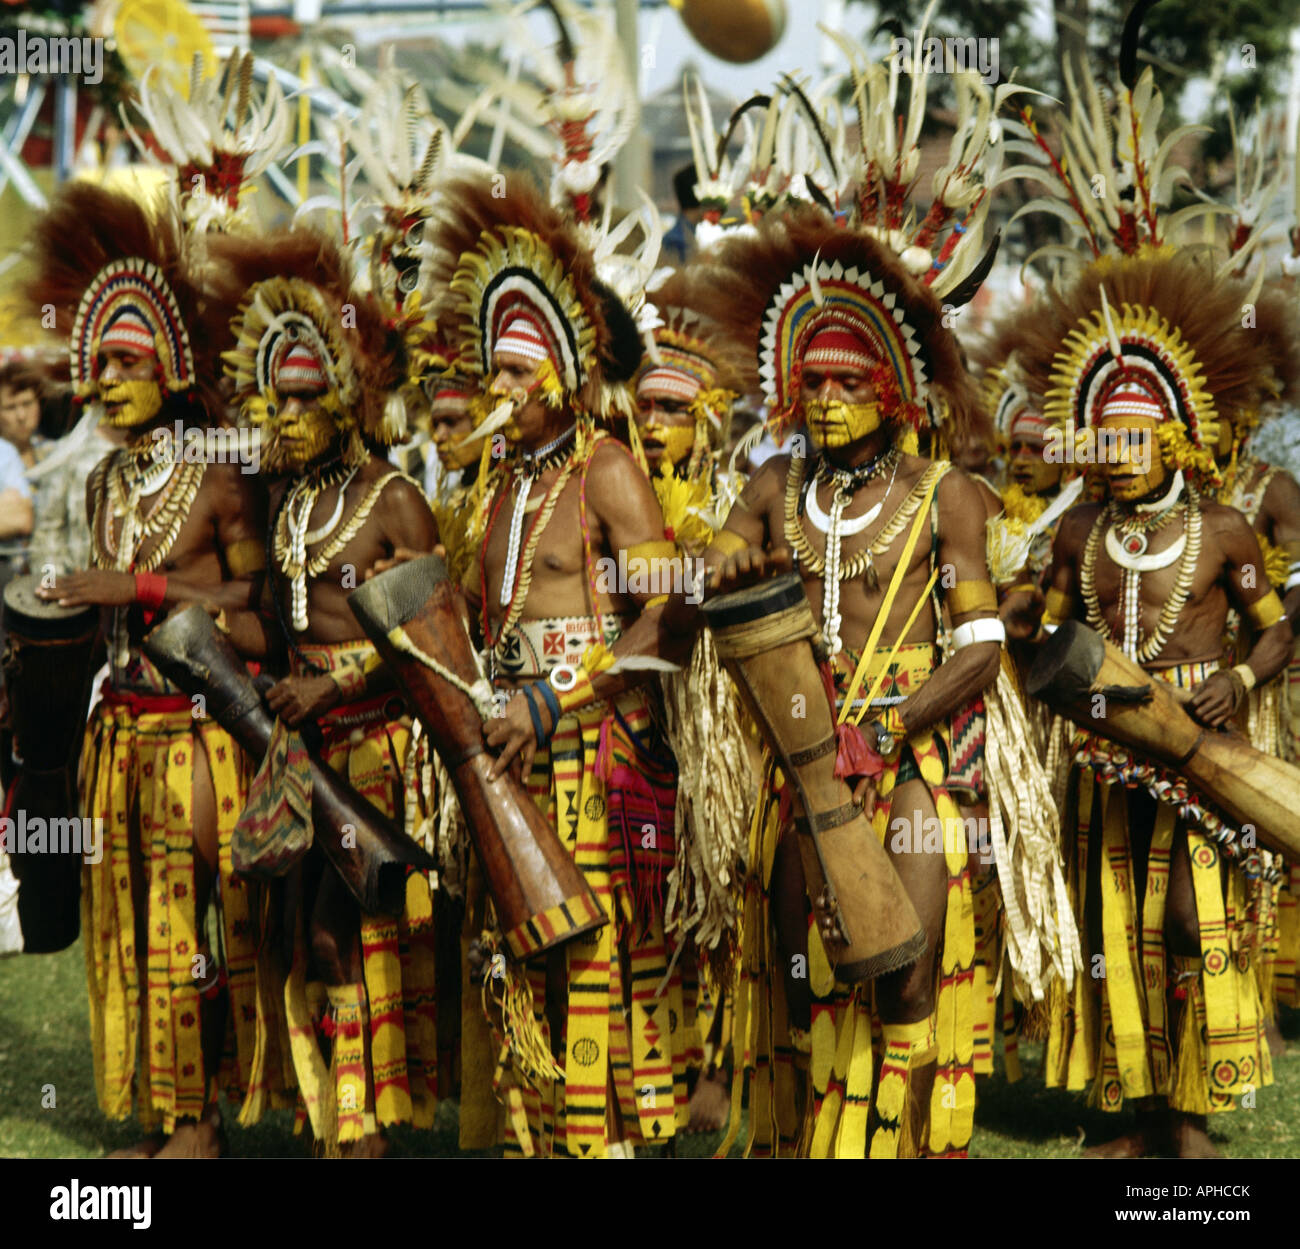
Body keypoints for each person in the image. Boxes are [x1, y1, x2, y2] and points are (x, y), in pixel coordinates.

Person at [688, 205, 1005, 1158]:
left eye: (847, 381)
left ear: (896, 388)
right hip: (804, 751)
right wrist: (729, 570)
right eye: (810, 380)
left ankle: (898, 1146)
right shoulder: (770, 488)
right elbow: (707, 578)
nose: (824, 398)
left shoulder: (941, 492)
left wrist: (899, 725)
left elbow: (982, 645)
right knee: (803, 972)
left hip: (914, 748)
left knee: (901, 969)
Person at [427, 170, 699, 1157]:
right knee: (510, 947)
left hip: (588, 740)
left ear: (569, 376)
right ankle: (533, 1142)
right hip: (505, 738)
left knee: (584, 942)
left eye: (515, 375)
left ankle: (607, 1144)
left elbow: (669, 609)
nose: (498, 394)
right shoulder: (499, 482)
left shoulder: (609, 470)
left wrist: (556, 698)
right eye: (492, 374)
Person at [1012, 248, 1293, 1158]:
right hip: (1103, 751)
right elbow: (1045, 631)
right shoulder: (1079, 529)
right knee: (1111, 924)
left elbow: (1281, 631)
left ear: (1173, 438)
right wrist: (1013, 617)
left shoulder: (1223, 528)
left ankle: (1189, 1114)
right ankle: (1130, 1111)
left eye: (1134, 440)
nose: (1117, 459)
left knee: (1184, 920)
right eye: (1103, 442)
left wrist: (1239, 681)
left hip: (1199, 749)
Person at [27, 182, 270, 1157]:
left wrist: (141, 586)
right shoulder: (97, 480)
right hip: (117, 734)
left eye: (124, 362)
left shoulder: (221, 480)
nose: (101, 382)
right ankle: (181, 1116)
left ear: (172, 366)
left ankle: (211, 1122)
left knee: (200, 932)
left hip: (201, 736)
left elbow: (263, 621)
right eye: (94, 364)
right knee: (135, 932)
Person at [211, 229, 443, 1157]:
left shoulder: (393, 497)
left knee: (341, 936)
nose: (291, 414)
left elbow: (432, 627)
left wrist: (337, 677)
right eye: (281, 398)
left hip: (374, 747)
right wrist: (210, 635)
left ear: (348, 400)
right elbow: (281, 619)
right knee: (302, 938)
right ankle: (340, 1128)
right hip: (299, 752)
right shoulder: (287, 503)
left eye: (309, 398)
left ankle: (363, 1135)